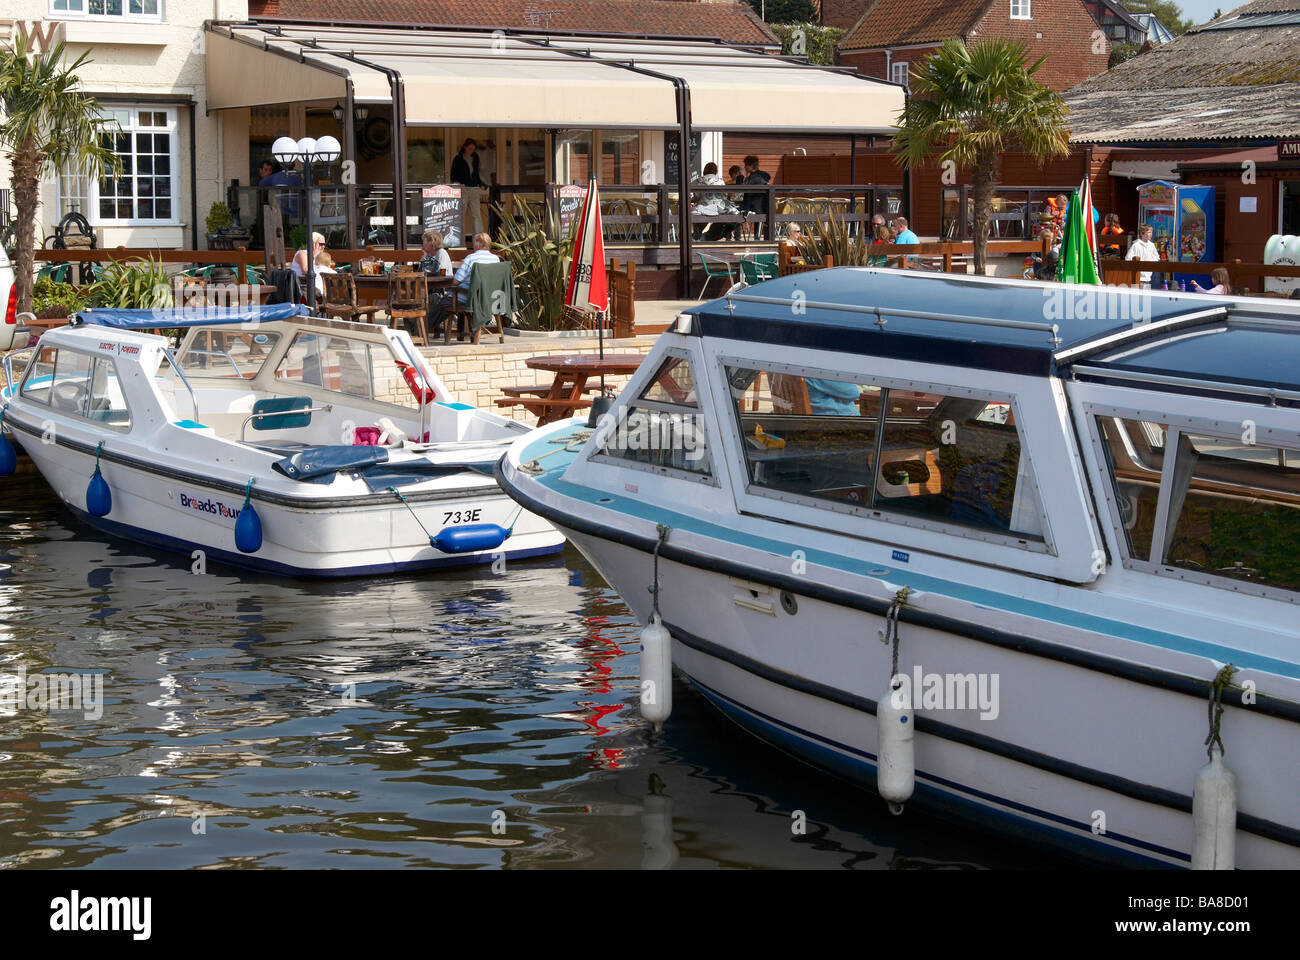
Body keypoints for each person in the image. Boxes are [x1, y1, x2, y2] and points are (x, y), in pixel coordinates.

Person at [432, 231, 499, 328]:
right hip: (489, 299)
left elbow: (456, 281)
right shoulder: (495, 259)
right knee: (446, 302)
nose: (473, 244)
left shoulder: (471, 258)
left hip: (468, 299)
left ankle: (421, 329)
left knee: (441, 305)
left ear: (478, 243)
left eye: (474, 242)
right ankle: (464, 332)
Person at [692, 162, 734, 241]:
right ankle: (716, 236)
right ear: (715, 171)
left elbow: (697, 196)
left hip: (705, 207)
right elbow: (724, 195)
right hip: (719, 208)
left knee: (697, 212)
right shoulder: (720, 181)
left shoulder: (699, 180)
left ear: (705, 170)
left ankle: (698, 234)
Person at [451, 139, 485, 236]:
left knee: (476, 214)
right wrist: (455, 182)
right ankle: (458, 237)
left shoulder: (475, 157)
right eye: (470, 148)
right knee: (460, 213)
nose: (471, 151)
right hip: (463, 188)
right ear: (465, 147)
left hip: (474, 187)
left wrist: (480, 183)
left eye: (473, 149)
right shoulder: (458, 158)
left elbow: (476, 173)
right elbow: (453, 173)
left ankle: (479, 237)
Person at [741, 155, 771, 241]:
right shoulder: (761, 176)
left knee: (734, 212)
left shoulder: (755, 177)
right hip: (761, 207)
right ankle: (756, 237)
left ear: (750, 166)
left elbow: (741, 187)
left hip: (753, 207)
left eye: (746, 165)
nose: (744, 167)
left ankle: (734, 236)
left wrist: (741, 176)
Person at [1126, 224, 1159, 288]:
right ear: (1142, 233)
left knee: (1146, 296)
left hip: (1148, 276)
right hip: (1136, 276)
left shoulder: (1151, 245)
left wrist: (1150, 262)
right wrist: (1139, 263)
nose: (1151, 234)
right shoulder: (1136, 245)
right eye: (1149, 232)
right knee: (1135, 295)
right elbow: (1128, 258)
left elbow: (1156, 257)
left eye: (1151, 232)